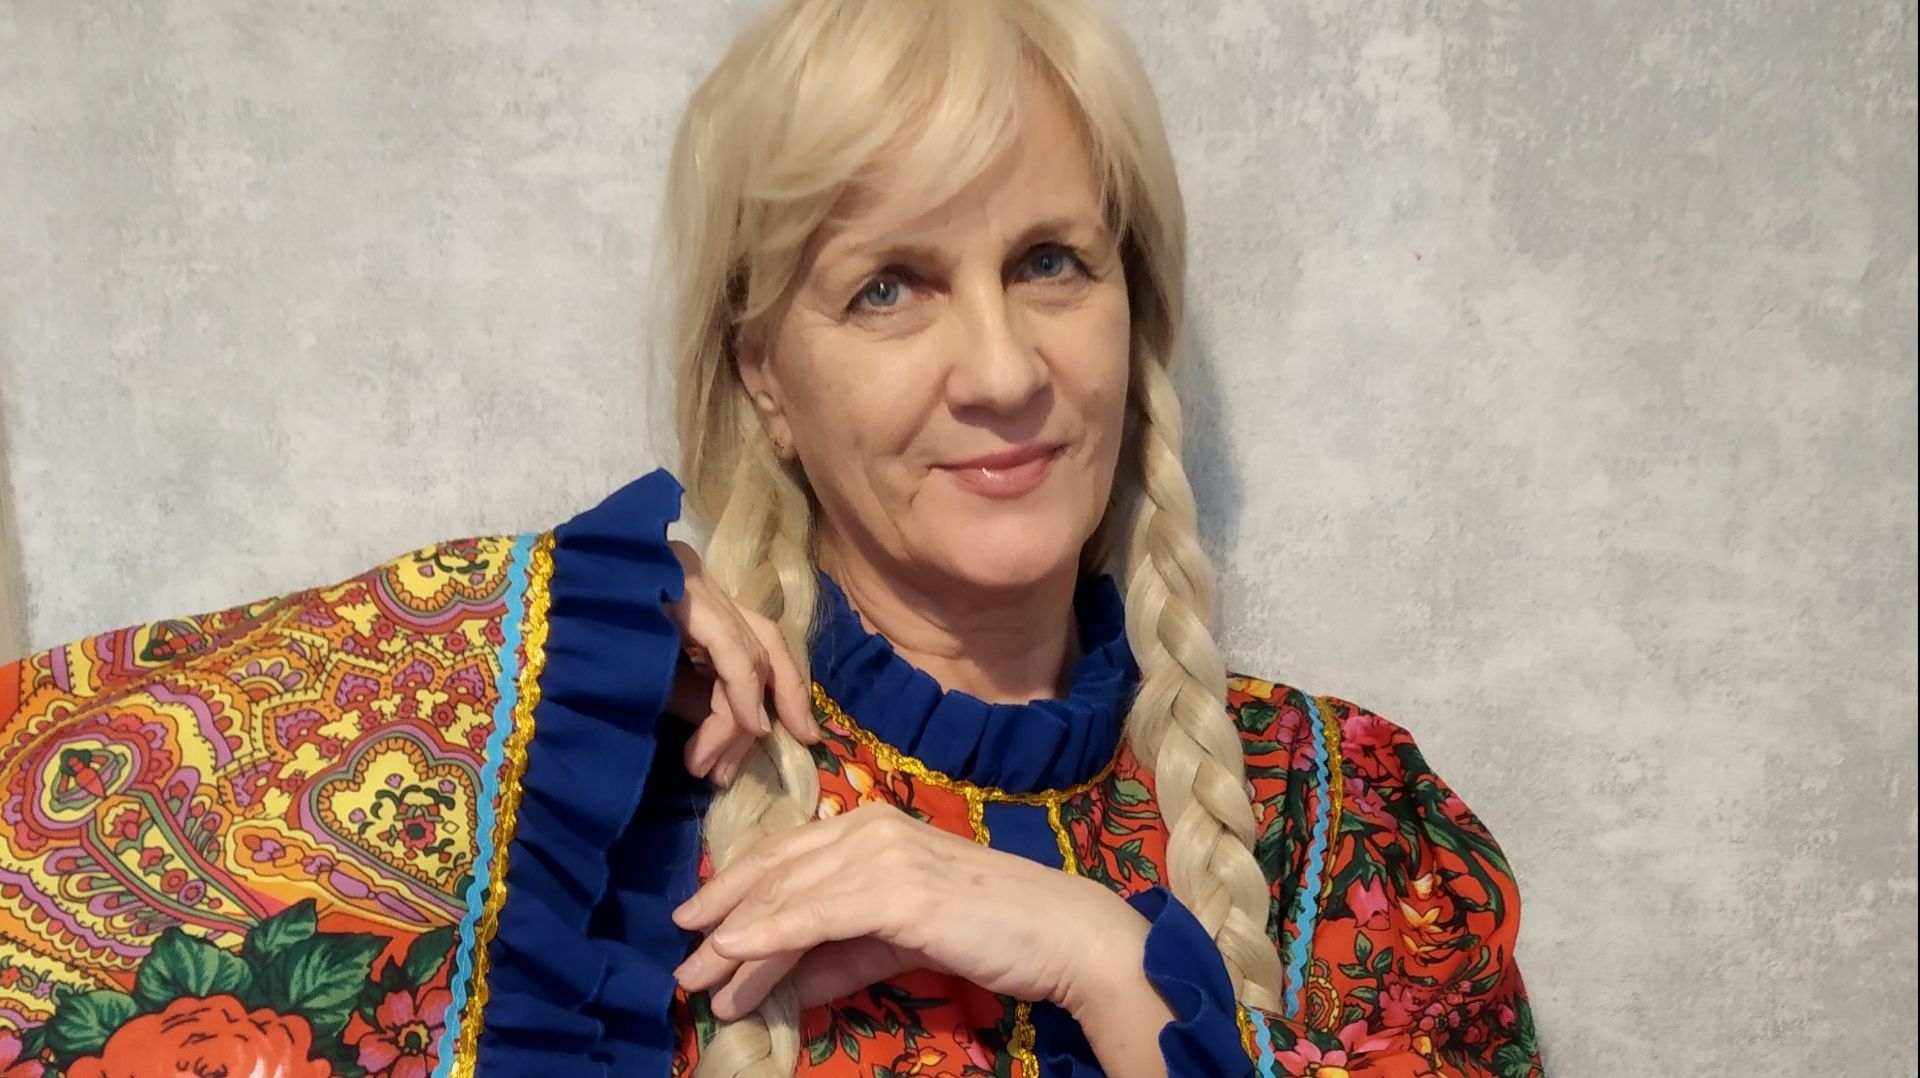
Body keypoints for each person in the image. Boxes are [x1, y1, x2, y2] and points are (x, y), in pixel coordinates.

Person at [0, 1, 1543, 1076]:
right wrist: (491, 662)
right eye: (889, 287)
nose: (1002, 370)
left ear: (1133, 306)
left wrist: (1098, 956)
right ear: (766, 379)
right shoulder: (599, 819)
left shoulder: (1353, 823)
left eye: (1050, 262)